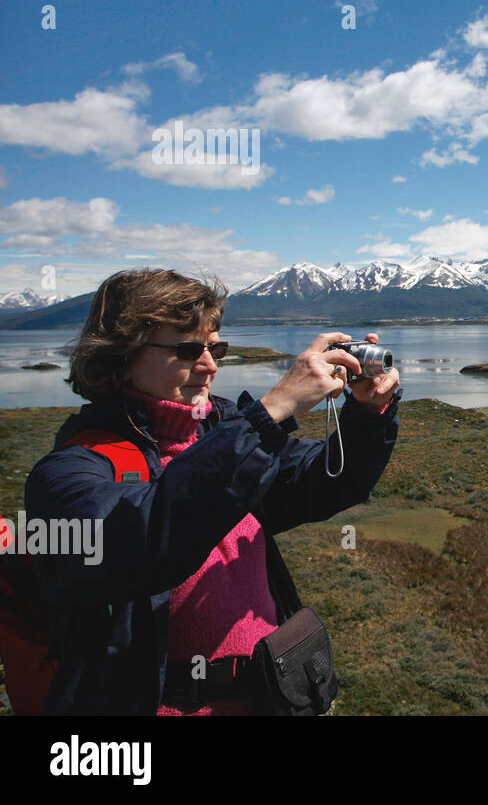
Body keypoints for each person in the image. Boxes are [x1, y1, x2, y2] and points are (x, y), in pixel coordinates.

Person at [22, 268, 401, 714]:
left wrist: (365, 415)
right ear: (121, 357)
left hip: (268, 698)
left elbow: (327, 483)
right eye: (187, 350)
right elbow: (144, 538)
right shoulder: (71, 471)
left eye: (214, 347)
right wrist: (271, 411)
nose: (209, 365)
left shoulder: (220, 432)